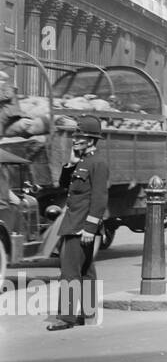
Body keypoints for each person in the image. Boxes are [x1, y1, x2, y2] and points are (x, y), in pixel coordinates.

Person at [48, 115, 110, 331]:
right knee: (86, 269)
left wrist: (90, 229)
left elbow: (100, 199)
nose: (74, 140)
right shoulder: (82, 162)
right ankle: (88, 313)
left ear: (91, 140)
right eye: (75, 136)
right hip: (74, 223)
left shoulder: (98, 163)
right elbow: (64, 185)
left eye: (79, 137)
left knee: (69, 271)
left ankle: (66, 318)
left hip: (81, 226)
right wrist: (70, 164)